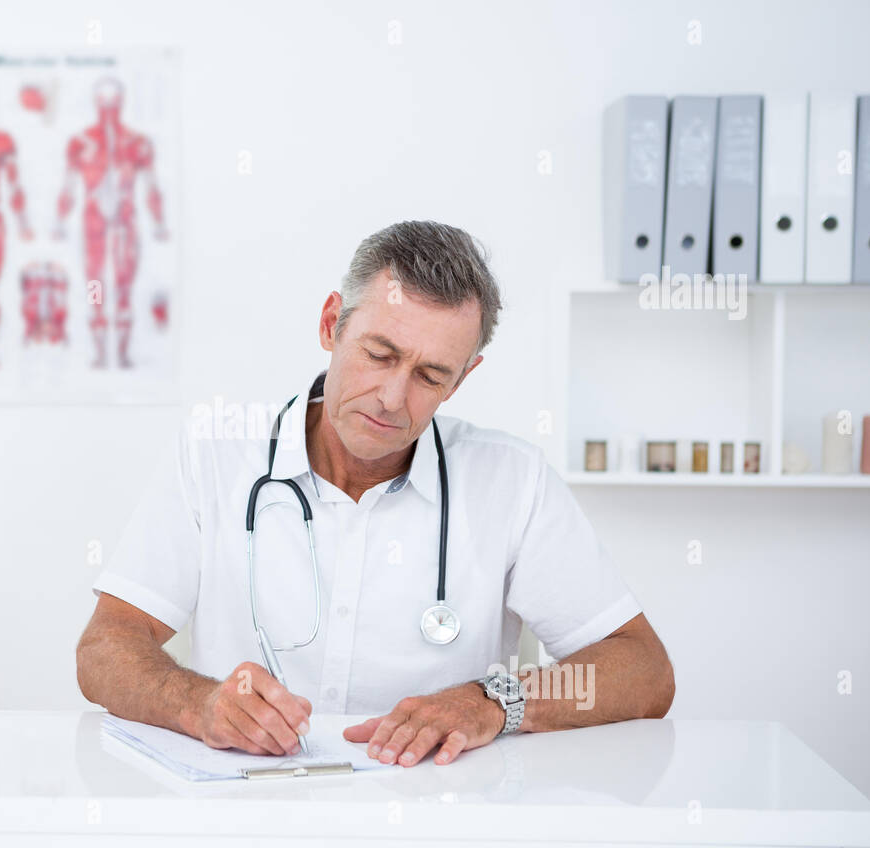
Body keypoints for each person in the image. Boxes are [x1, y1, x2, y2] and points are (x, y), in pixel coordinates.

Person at [77, 220, 674, 767]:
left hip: (434, 821)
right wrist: (197, 703)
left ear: (464, 377)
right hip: (246, 819)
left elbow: (644, 669)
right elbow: (105, 648)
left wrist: (494, 702)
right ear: (331, 323)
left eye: (430, 375)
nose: (392, 396)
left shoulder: (511, 481)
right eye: (379, 354)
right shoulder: (215, 452)